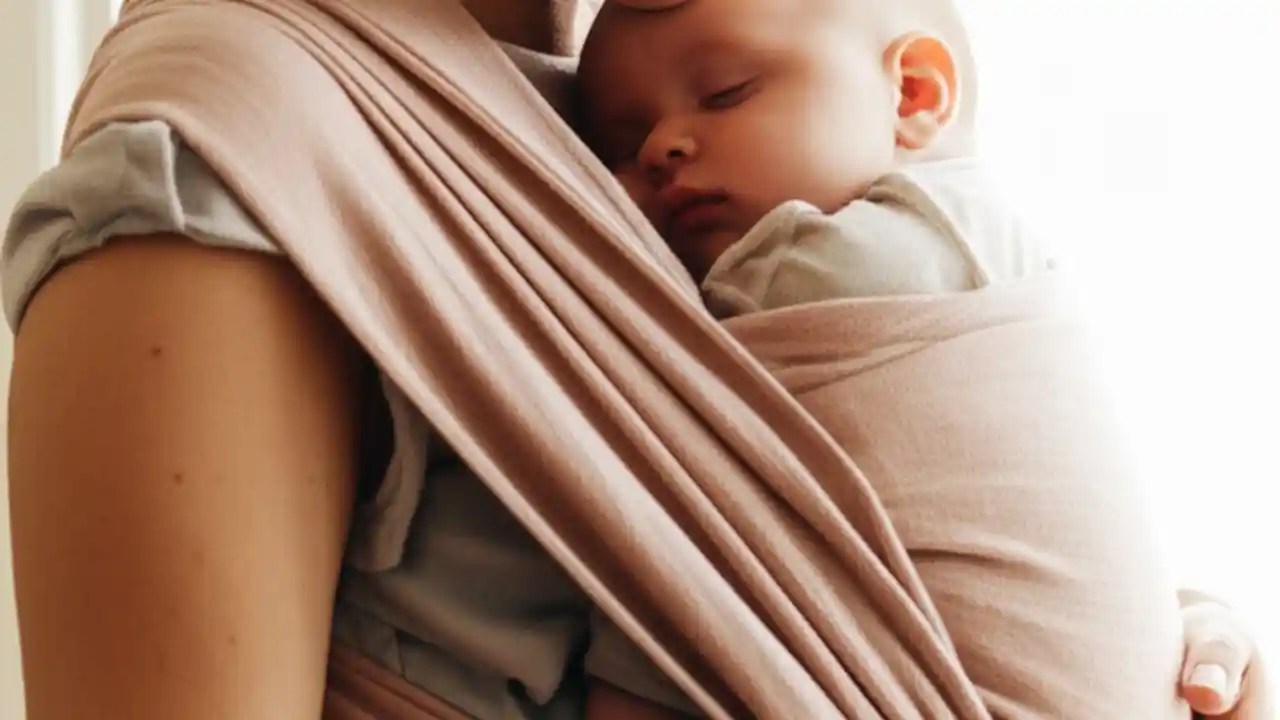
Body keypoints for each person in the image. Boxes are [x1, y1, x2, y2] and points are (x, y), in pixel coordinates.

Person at [1, 0, 1269, 718]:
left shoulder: (638, 95)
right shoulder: (228, 154)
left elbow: (823, 509)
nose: (661, 150)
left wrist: (1095, 621)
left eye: (722, 97)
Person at [573, 0, 1273, 717]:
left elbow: (691, 529)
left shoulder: (827, 263)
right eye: (619, 148)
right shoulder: (1002, 245)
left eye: (727, 92)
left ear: (912, 93)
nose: (660, 147)